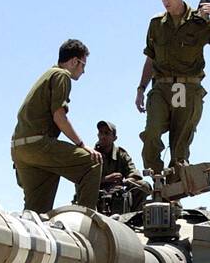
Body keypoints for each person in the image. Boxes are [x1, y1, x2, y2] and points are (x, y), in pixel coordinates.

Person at [136, 0, 210, 174]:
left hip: (186, 89)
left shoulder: (200, 23)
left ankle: (174, 185)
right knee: (151, 133)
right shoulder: (156, 24)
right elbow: (150, 58)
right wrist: (141, 88)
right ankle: (156, 179)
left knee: (179, 146)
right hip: (161, 87)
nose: (165, 0)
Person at [11, 39, 102, 213]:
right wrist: (82, 145)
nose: (84, 71)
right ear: (75, 61)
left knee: (37, 212)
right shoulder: (61, 75)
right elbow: (59, 117)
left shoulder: (47, 74)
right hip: (38, 145)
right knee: (92, 162)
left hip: (19, 149)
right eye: (83, 65)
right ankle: (84, 226)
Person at [94, 120, 148, 212]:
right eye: (100, 132)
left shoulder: (121, 154)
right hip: (97, 191)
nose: (102, 136)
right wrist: (106, 179)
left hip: (118, 190)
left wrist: (123, 182)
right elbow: (82, 180)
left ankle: (132, 218)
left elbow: (134, 174)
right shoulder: (93, 154)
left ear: (114, 138)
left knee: (143, 186)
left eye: (107, 133)